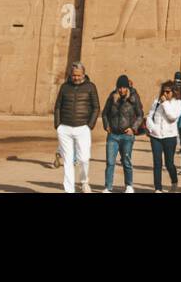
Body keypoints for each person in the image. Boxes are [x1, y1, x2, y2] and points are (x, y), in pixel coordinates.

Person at [53, 61, 100, 193]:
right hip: (65, 128)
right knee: (68, 160)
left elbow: (96, 107)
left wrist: (89, 125)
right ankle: (69, 190)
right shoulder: (64, 87)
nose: (76, 78)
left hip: (82, 128)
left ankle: (84, 182)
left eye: (79, 75)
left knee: (84, 159)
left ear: (83, 74)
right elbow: (57, 106)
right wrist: (58, 125)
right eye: (74, 75)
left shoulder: (91, 87)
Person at [101, 74, 143, 193]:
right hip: (113, 135)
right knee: (110, 162)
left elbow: (140, 115)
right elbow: (104, 113)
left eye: (124, 87)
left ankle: (129, 185)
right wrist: (106, 126)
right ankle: (108, 187)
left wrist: (133, 128)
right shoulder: (112, 97)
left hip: (127, 136)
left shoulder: (134, 98)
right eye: (119, 87)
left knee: (126, 161)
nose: (121, 90)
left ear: (127, 87)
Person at [146, 81, 181, 193]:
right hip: (156, 137)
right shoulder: (156, 102)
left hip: (170, 137)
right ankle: (158, 188)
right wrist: (152, 129)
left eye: (168, 91)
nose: (165, 94)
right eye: (163, 91)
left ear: (174, 92)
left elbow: (172, 117)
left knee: (169, 163)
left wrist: (165, 103)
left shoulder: (178, 103)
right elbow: (149, 116)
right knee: (157, 163)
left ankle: (174, 181)